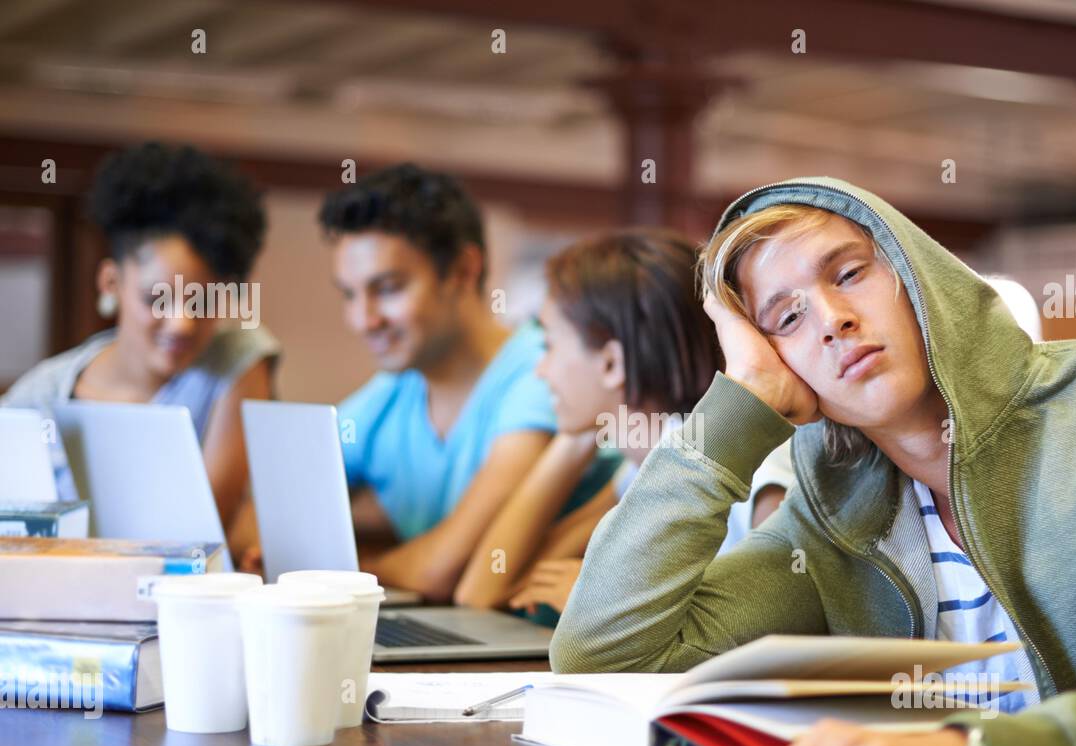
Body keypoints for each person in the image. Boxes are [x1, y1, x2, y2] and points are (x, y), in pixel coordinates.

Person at [549, 176, 1076, 746]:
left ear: (916, 274)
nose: (832, 319)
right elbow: (610, 652)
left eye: (849, 273)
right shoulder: (834, 515)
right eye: (785, 320)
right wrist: (735, 410)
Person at [453, 229, 793, 619]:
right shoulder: (638, 467)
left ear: (612, 362)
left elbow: (784, 625)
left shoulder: (760, 469)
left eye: (549, 345)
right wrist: (576, 438)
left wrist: (609, 600)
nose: (540, 372)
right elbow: (483, 591)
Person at [317, 165, 616, 600]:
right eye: (349, 294)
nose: (363, 320)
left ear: (462, 270)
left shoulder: (542, 376)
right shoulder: (390, 393)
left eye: (388, 288)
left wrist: (345, 575)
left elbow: (443, 570)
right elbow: (270, 513)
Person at [0, 142, 278, 535]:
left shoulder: (233, 360)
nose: (181, 324)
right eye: (157, 299)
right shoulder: (39, 397)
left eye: (202, 303)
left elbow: (202, 535)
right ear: (111, 282)